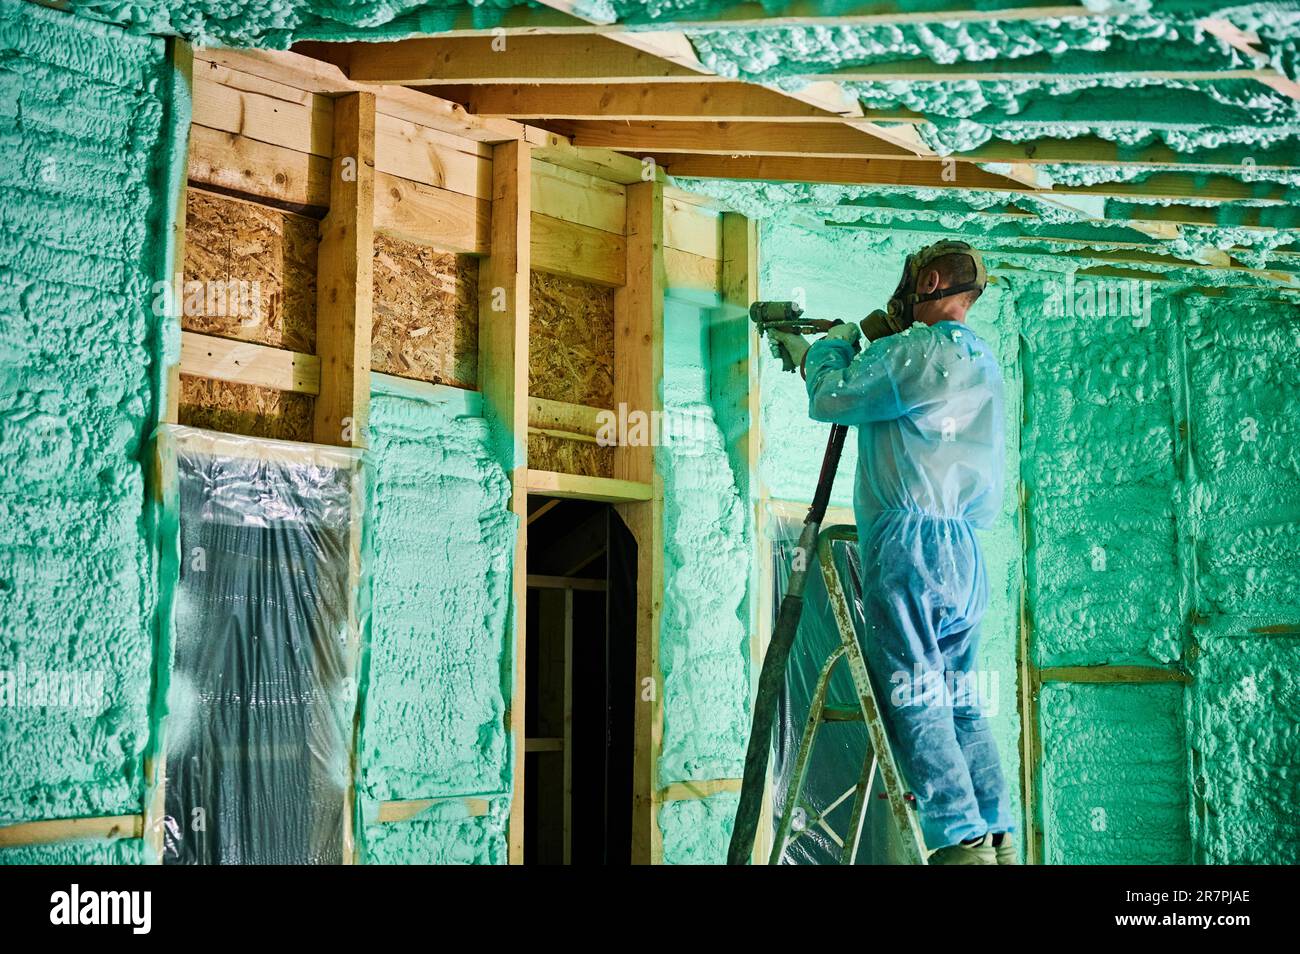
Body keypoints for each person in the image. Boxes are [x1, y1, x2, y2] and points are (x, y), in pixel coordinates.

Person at [768, 241, 1017, 866]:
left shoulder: (916, 352)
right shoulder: (983, 362)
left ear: (929, 280)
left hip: (911, 549)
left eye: (910, 283)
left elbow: (833, 396)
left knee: (914, 692)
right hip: (965, 555)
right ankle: (997, 834)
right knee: (958, 694)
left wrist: (832, 345)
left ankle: (959, 841)